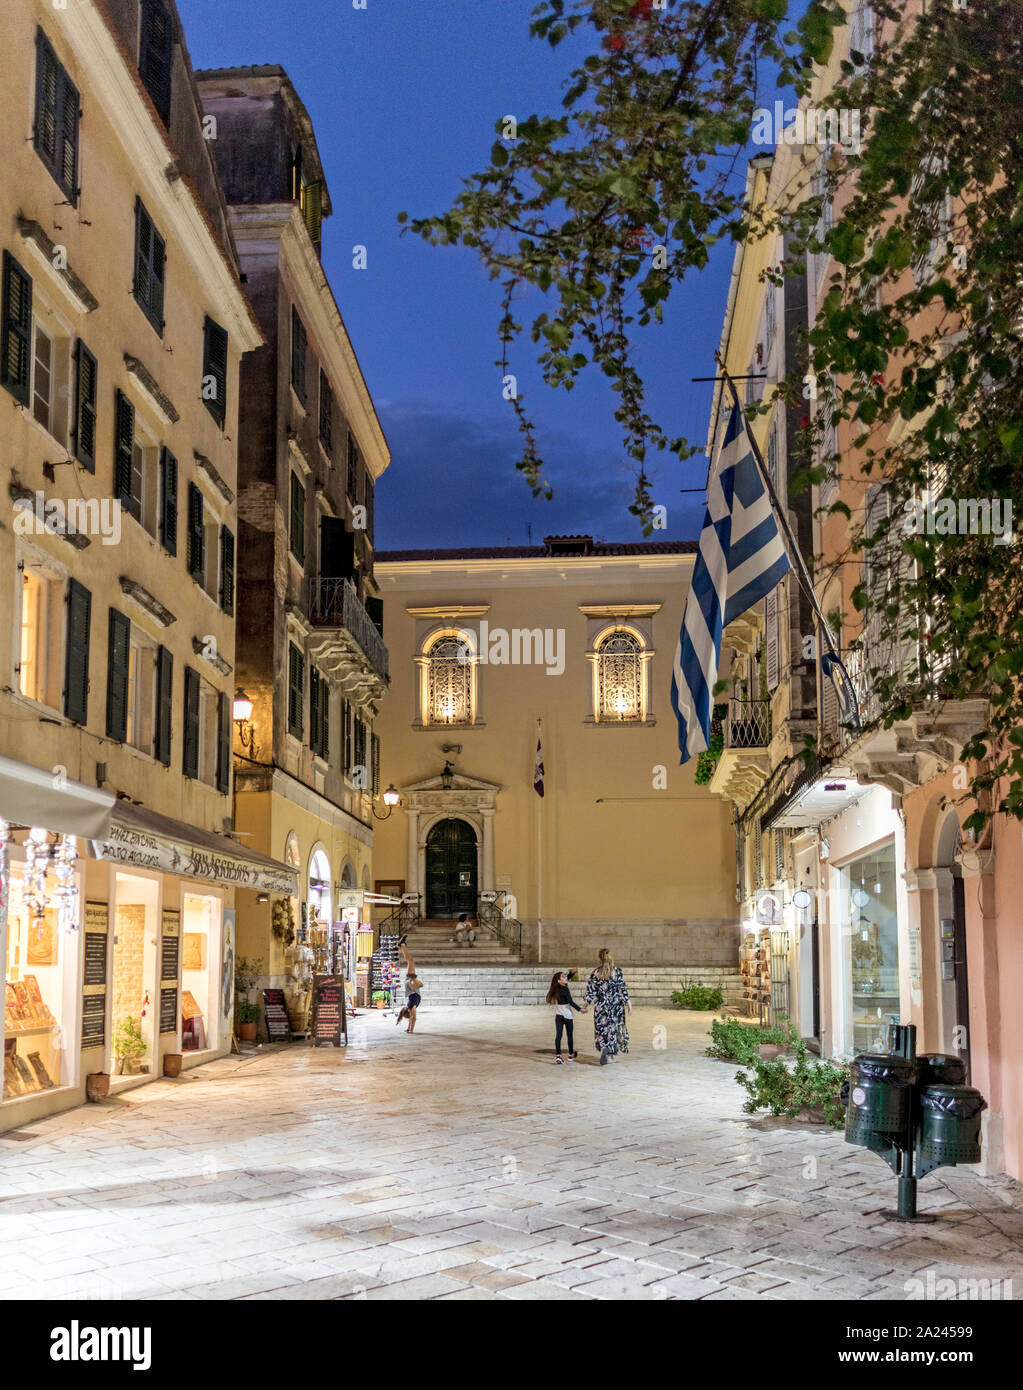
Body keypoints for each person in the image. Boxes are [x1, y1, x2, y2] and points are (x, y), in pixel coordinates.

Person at [585, 949, 631, 1065]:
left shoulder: (596, 973)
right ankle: (610, 1056)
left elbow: (591, 992)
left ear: (600, 959)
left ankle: (604, 1046)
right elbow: (622, 990)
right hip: (615, 1007)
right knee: (613, 1030)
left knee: (602, 1029)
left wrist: (584, 1006)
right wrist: (628, 1003)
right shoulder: (617, 972)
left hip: (601, 1007)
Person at [546, 970, 587, 1063]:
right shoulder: (565, 989)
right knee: (569, 1035)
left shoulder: (555, 988)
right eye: (563, 977)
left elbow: (565, 980)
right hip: (567, 1015)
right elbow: (571, 1002)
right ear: (559, 981)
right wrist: (581, 1009)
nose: (565, 978)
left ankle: (558, 1056)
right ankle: (571, 1055)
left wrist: (571, 974)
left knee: (558, 1036)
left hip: (559, 1015)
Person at [396, 939, 422, 1033]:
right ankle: (402, 946)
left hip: (411, 984)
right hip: (410, 985)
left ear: (408, 1012)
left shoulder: (412, 1005)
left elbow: (413, 1018)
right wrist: (408, 1029)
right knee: (411, 961)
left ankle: (402, 945)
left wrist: (411, 1030)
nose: (411, 1016)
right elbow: (412, 1018)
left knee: (410, 961)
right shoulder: (410, 1005)